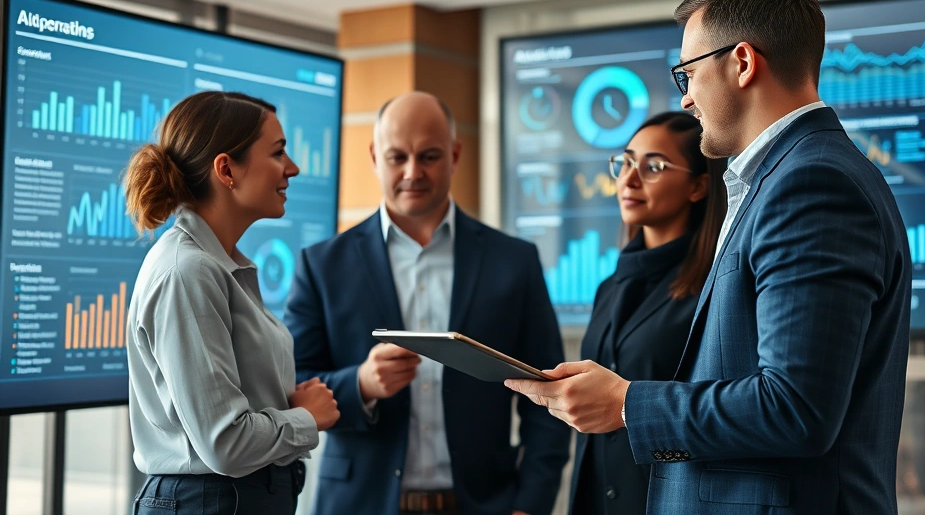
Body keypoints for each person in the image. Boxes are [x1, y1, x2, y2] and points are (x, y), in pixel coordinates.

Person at [506, 0, 912, 515]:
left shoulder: (812, 184)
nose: (688, 99)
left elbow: (795, 408)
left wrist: (628, 404)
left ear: (742, 63)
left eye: (688, 73)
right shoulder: (786, 177)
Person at [284, 91, 570, 515]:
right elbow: (291, 386)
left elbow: (551, 392)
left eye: (429, 156)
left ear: (455, 155)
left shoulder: (514, 261)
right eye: (397, 157)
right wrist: (360, 384)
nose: (412, 172)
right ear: (375, 156)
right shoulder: (322, 264)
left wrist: (530, 505)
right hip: (359, 504)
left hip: (485, 505)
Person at [124, 91, 340, 515]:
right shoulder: (187, 272)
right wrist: (306, 418)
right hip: (211, 502)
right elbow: (225, 443)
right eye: (278, 153)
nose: (292, 168)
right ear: (226, 169)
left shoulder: (220, 267)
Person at [568, 111, 726, 515]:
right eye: (625, 162)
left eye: (653, 166)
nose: (629, 178)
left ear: (698, 186)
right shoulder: (611, 287)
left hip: (669, 501)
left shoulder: (714, 286)